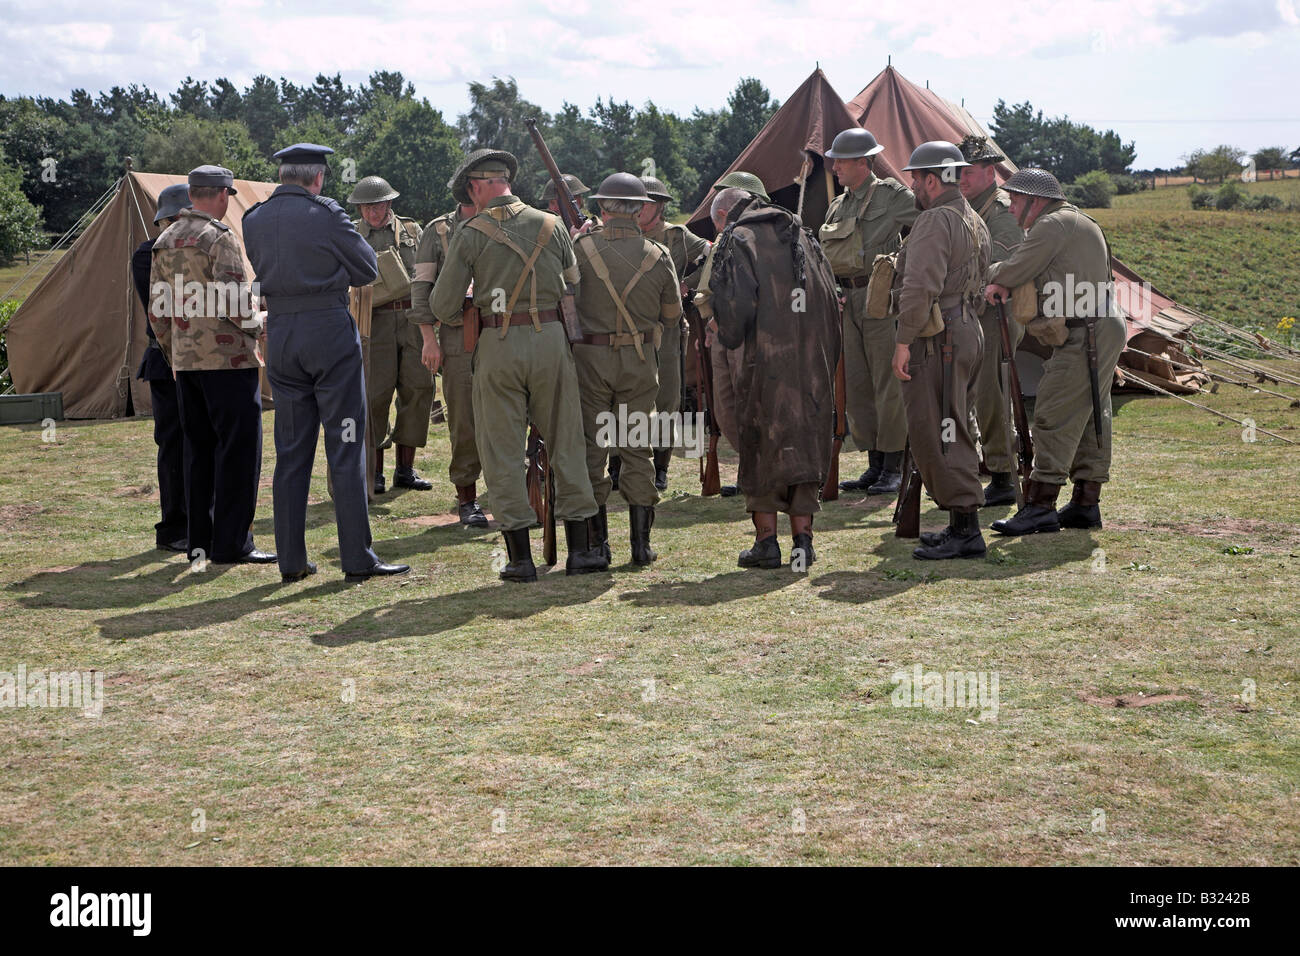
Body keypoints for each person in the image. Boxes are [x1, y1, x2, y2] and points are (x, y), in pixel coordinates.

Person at [429, 149, 607, 581]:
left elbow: (442, 304)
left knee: (502, 450)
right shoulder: (552, 224)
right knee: (567, 440)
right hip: (550, 342)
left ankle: (520, 559)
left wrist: (473, 307)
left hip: (497, 345)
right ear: (507, 180)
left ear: (476, 187)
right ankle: (582, 552)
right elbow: (573, 284)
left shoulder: (470, 232)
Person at [242, 143, 409, 583]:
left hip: (281, 335)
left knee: (291, 452)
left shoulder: (252, 218)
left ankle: (291, 561)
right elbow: (368, 269)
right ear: (317, 178)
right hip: (329, 334)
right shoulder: (328, 214)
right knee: (347, 446)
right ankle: (357, 558)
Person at [985, 168, 1127, 535]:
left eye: (1017, 200)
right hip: (1099, 325)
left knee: (1054, 408)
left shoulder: (1052, 225)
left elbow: (1018, 266)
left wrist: (990, 274)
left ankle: (1040, 505)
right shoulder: (1078, 220)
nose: (1012, 208)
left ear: (1037, 200)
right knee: (1092, 412)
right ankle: (1084, 502)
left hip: (1087, 331)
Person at [148, 165, 274, 567]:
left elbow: (158, 312)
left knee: (198, 452)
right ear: (222, 195)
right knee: (238, 453)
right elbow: (235, 301)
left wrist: (174, 354)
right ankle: (233, 543)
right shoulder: (218, 238)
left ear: (190, 194)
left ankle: (198, 544)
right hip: (228, 361)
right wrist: (260, 328)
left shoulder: (164, 239)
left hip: (186, 365)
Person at [709, 187, 840, 569]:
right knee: (803, 440)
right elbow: (830, 300)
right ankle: (803, 542)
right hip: (812, 364)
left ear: (722, 217)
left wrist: (725, 331)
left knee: (760, 445)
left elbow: (735, 312)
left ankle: (767, 543)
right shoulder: (802, 234)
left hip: (763, 363)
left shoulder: (740, 238)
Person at [572, 173, 681, 565]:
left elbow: (564, 301)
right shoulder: (658, 254)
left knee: (593, 450)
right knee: (638, 449)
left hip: (590, 362)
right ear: (639, 209)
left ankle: (596, 547)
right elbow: (672, 317)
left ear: (602, 208)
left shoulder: (580, 248)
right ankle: (641, 546)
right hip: (638, 363)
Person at [890, 142, 991, 560]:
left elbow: (919, 290)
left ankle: (966, 527)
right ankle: (959, 524)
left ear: (932, 179)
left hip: (938, 338)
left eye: (916, 177)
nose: (913, 184)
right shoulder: (973, 219)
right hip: (965, 328)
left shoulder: (934, 220)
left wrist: (902, 341)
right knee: (955, 422)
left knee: (937, 430)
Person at [820, 127, 919, 495]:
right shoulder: (837, 205)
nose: (833, 167)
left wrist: (903, 267)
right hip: (846, 302)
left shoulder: (893, 197)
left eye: (840, 160)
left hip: (879, 300)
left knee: (887, 382)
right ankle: (874, 464)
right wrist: (832, 290)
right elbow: (826, 258)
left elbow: (928, 225)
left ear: (863, 162)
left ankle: (895, 465)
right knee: (857, 386)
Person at [347, 175, 435, 493]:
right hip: (375, 323)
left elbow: (427, 273)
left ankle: (405, 470)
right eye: (366, 206)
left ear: (389, 203)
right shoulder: (352, 235)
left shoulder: (413, 231)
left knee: (418, 389)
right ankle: (376, 471)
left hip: (412, 320)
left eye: (378, 204)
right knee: (375, 396)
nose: (372, 211)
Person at [408, 180, 487, 526]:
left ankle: (509, 490)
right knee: (463, 419)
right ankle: (467, 496)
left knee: (512, 413)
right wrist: (429, 338)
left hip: (504, 332)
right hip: (458, 335)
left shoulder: (506, 222)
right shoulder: (438, 231)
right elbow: (421, 287)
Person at [958, 135, 1026, 506]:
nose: (962, 178)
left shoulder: (999, 211)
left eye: (969, 171)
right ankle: (987, 464)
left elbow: (1005, 263)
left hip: (996, 313)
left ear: (990, 172)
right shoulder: (967, 209)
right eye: (959, 172)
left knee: (992, 392)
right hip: (971, 311)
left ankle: (1003, 471)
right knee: (973, 393)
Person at [638, 175, 709, 491]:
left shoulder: (677, 237)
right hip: (629, 328)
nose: (639, 209)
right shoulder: (620, 235)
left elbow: (713, 254)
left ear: (660, 206)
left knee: (667, 397)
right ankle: (620, 463)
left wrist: (689, 285)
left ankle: (661, 466)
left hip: (667, 329)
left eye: (646, 203)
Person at [132, 183, 191, 553]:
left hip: (201, 360)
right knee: (173, 445)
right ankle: (173, 527)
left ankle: (201, 521)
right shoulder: (148, 255)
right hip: (167, 357)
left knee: (202, 442)